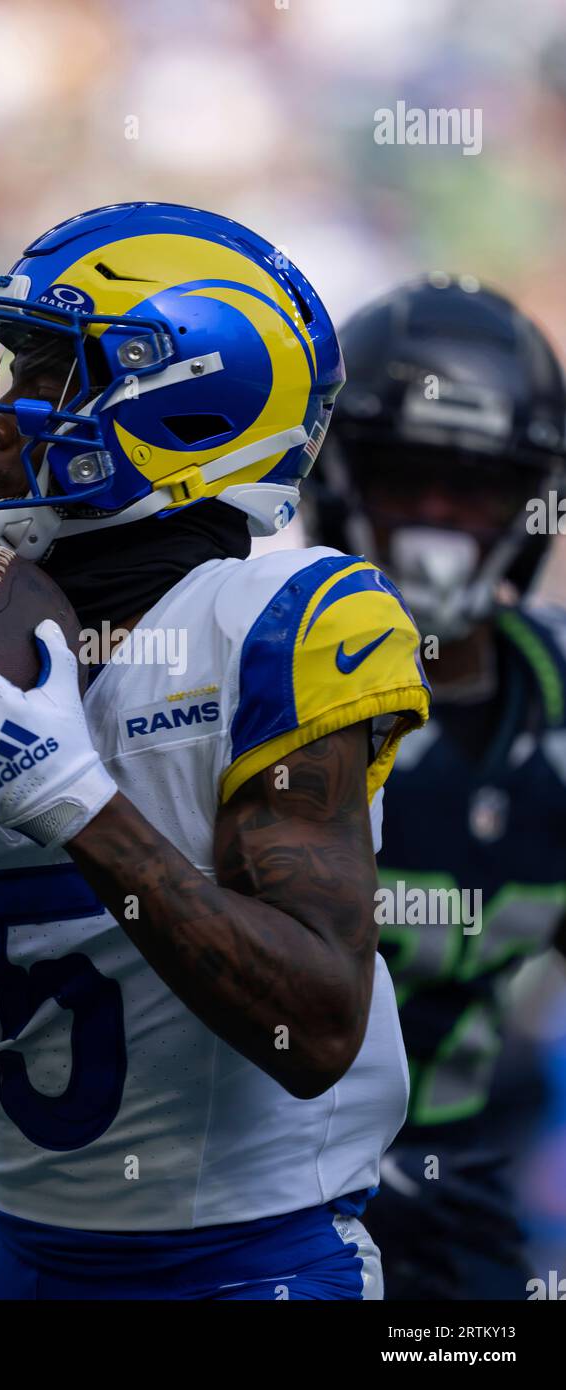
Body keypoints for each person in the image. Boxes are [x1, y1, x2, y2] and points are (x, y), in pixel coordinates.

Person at [0, 202, 428, 1301]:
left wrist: (70, 800)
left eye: (47, 376)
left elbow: (311, 1023)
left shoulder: (284, 620)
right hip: (19, 1265)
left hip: (256, 1267)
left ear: (190, 414)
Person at [311, 273, 566, 1299]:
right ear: (339, 477)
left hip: (446, 1197)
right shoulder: (237, 668)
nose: (430, 516)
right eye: (402, 476)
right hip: (237, 1199)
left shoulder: (551, 706)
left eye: (469, 486)